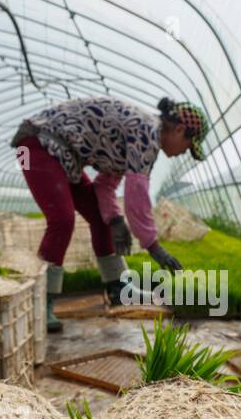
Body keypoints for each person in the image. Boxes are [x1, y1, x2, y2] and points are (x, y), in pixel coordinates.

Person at [11, 96, 207, 331]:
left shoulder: (141, 134)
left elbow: (105, 186)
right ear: (178, 129)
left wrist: (114, 219)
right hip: (32, 147)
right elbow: (137, 196)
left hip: (63, 156)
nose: (184, 153)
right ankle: (41, 303)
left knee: (100, 217)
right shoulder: (147, 134)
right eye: (188, 145)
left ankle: (119, 288)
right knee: (62, 220)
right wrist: (154, 247)